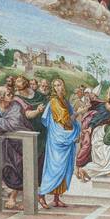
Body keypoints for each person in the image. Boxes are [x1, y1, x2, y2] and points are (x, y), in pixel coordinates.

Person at [34, 78, 79, 208]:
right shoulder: (54, 101)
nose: (58, 87)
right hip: (57, 140)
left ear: (63, 85)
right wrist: (79, 113)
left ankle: (56, 198)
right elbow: (66, 121)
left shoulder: (64, 101)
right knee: (55, 168)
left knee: (63, 168)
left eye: (59, 84)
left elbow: (69, 120)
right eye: (55, 86)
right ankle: (41, 195)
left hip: (64, 137)